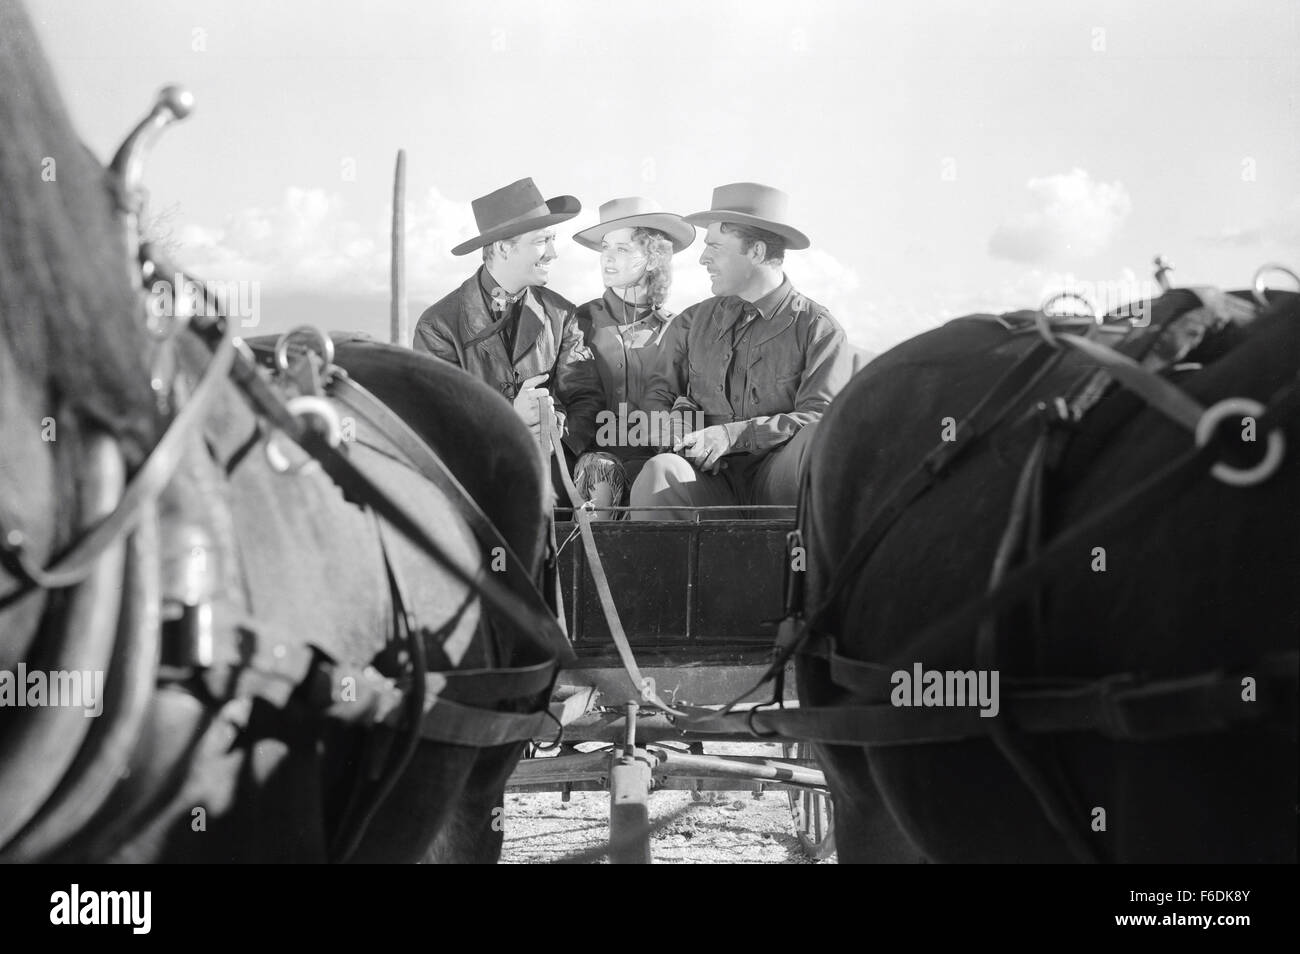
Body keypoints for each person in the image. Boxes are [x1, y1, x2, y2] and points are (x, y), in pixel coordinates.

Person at [628, 182, 853, 519]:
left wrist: (731, 437)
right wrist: (676, 434)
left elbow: (821, 418)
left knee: (818, 438)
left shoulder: (819, 329)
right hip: (708, 481)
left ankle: (812, 553)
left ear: (757, 252)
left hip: (781, 486)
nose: (703, 258)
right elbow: (657, 396)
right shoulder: (691, 322)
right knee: (661, 472)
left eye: (715, 246)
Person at [413, 177, 604, 491]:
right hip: (473, 486)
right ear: (503, 247)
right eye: (542, 241)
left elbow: (587, 400)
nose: (553, 253)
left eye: (552, 240)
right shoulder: (438, 325)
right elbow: (437, 421)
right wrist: (511, 415)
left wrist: (557, 435)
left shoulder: (562, 315)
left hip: (552, 481)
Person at [570, 197, 695, 515]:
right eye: (605, 248)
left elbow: (691, 404)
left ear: (653, 259)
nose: (608, 258)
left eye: (623, 249)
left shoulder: (680, 330)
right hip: (590, 471)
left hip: (657, 469)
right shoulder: (575, 324)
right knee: (599, 472)